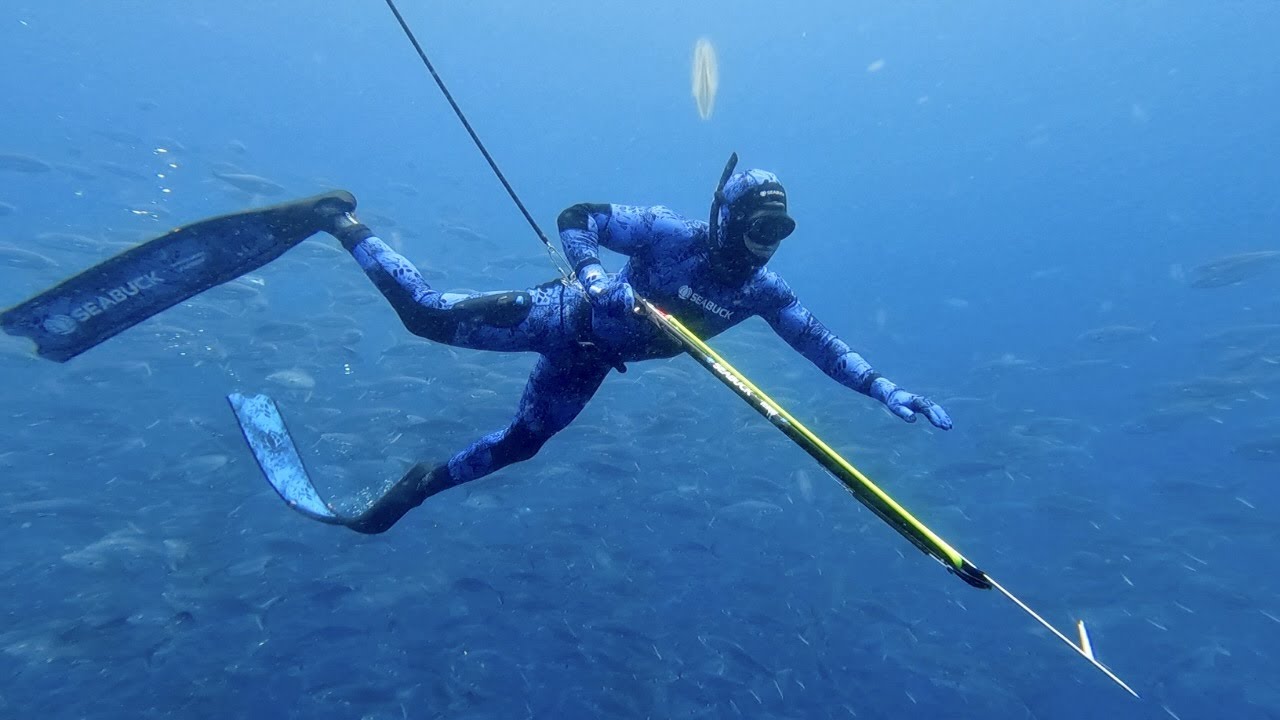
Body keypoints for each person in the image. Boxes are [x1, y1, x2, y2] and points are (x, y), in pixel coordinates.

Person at [1, 159, 952, 534]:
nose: (760, 251)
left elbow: (819, 347)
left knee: (524, 442)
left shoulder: (766, 292)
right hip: (563, 321)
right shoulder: (667, 235)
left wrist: (886, 393)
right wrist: (585, 276)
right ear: (725, 216)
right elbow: (579, 214)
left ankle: (407, 494)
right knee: (426, 317)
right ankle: (341, 225)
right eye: (754, 231)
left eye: (776, 238)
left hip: (592, 365)